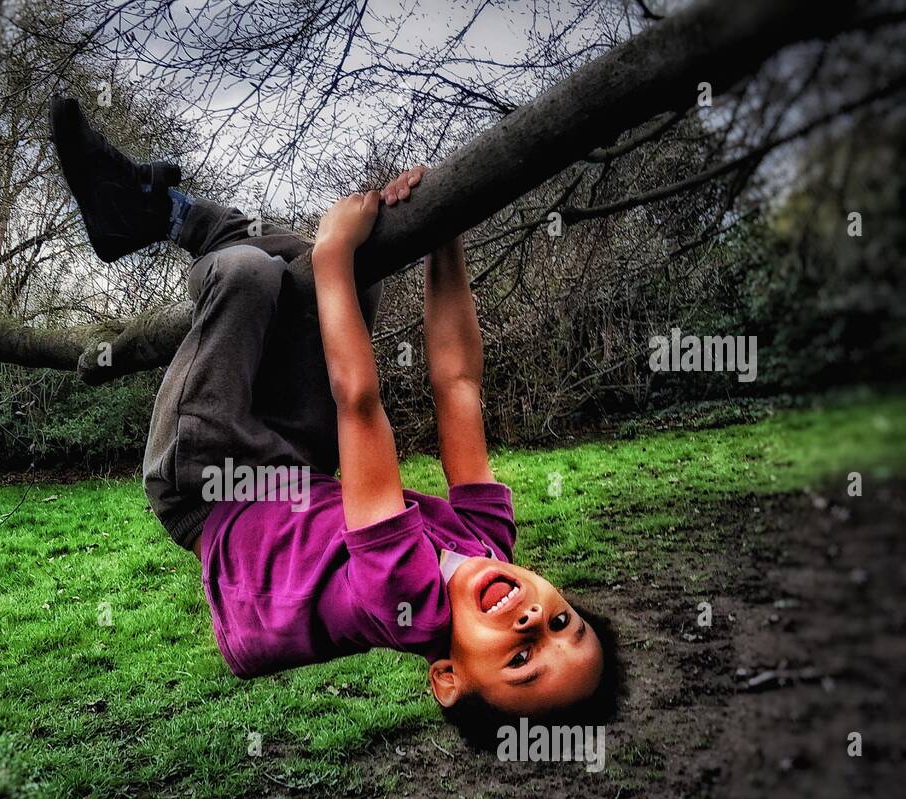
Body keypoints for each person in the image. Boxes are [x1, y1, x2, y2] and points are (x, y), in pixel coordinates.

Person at [51, 96, 616, 718]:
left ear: (449, 679)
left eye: (521, 657)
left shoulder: (404, 597)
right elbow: (458, 383)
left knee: (248, 275)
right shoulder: (488, 543)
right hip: (294, 471)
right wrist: (441, 234)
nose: (534, 618)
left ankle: (164, 215)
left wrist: (332, 252)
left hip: (208, 492)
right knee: (348, 275)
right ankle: (148, 212)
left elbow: (360, 405)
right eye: (563, 621)